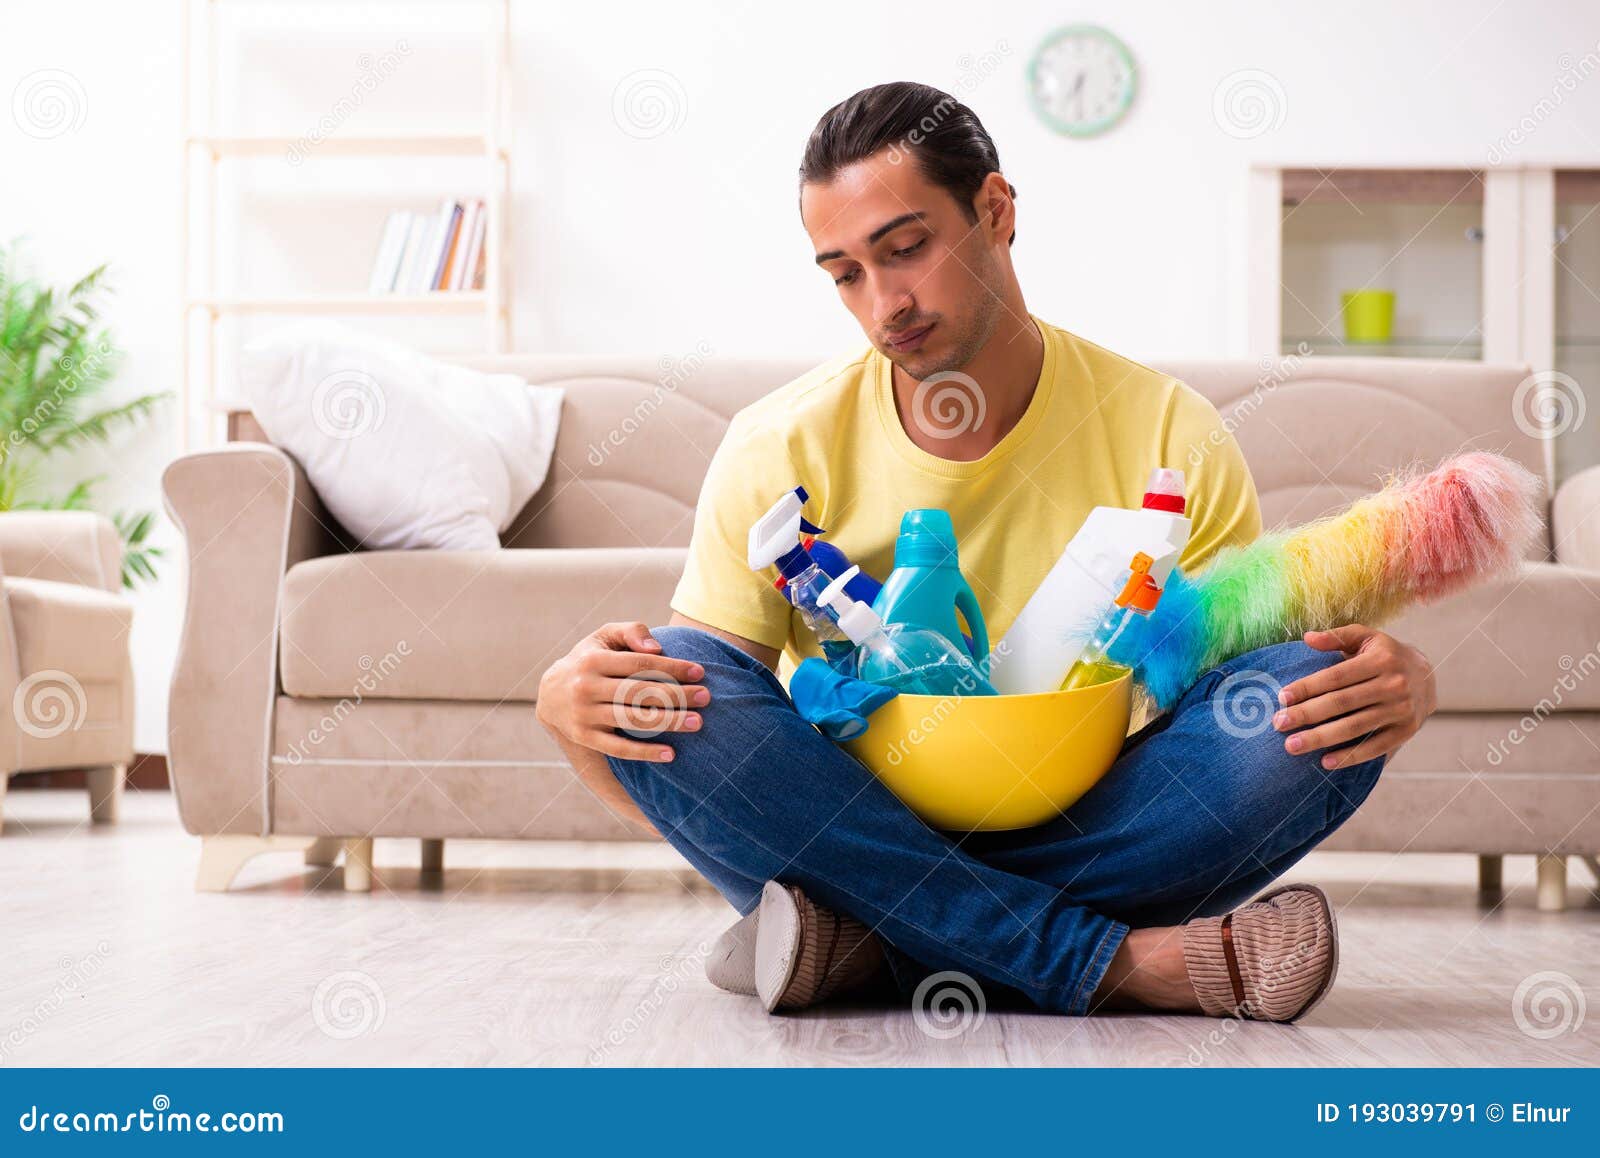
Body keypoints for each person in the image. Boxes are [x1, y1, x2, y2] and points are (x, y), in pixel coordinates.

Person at [536, 82, 1436, 1022]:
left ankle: (874, 945)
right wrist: (576, 723)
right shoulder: (777, 444)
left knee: (1301, 701)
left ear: (996, 211)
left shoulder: (1171, 430)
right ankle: (1106, 962)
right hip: (848, 815)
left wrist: (1400, 687)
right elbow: (703, 751)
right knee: (672, 675)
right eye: (845, 274)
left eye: (906, 248)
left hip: (1092, 825)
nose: (884, 304)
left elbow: (1222, 702)